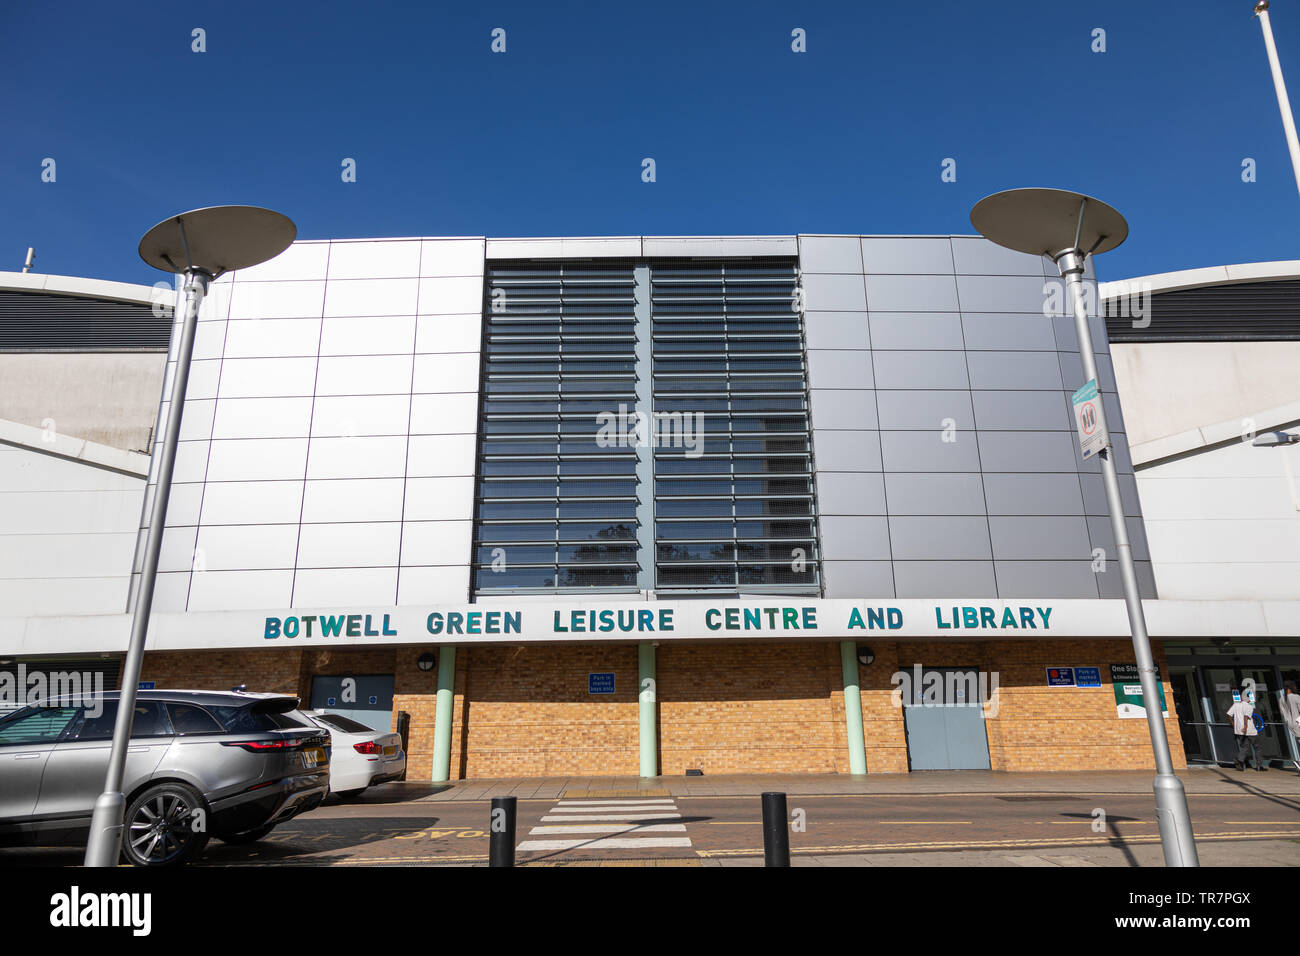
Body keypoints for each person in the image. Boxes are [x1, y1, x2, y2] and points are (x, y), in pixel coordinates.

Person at [1227, 689, 1266, 772]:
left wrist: (1233, 724)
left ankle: (1239, 760)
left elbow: (1229, 714)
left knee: (1245, 747)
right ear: (1248, 698)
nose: (1252, 699)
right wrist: (1245, 726)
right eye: (1251, 697)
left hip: (1239, 731)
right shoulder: (1249, 706)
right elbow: (1246, 716)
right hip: (1250, 730)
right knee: (1258, 747)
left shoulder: (1236, 705)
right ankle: (1259, 766)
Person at [1283, 681, 1300, 773]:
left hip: (1289, 724)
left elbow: (1284, 714)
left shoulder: (1282, 699)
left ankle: (1298, 761)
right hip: (1298, 723)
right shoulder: (1296, 697)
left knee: (1296, 745)